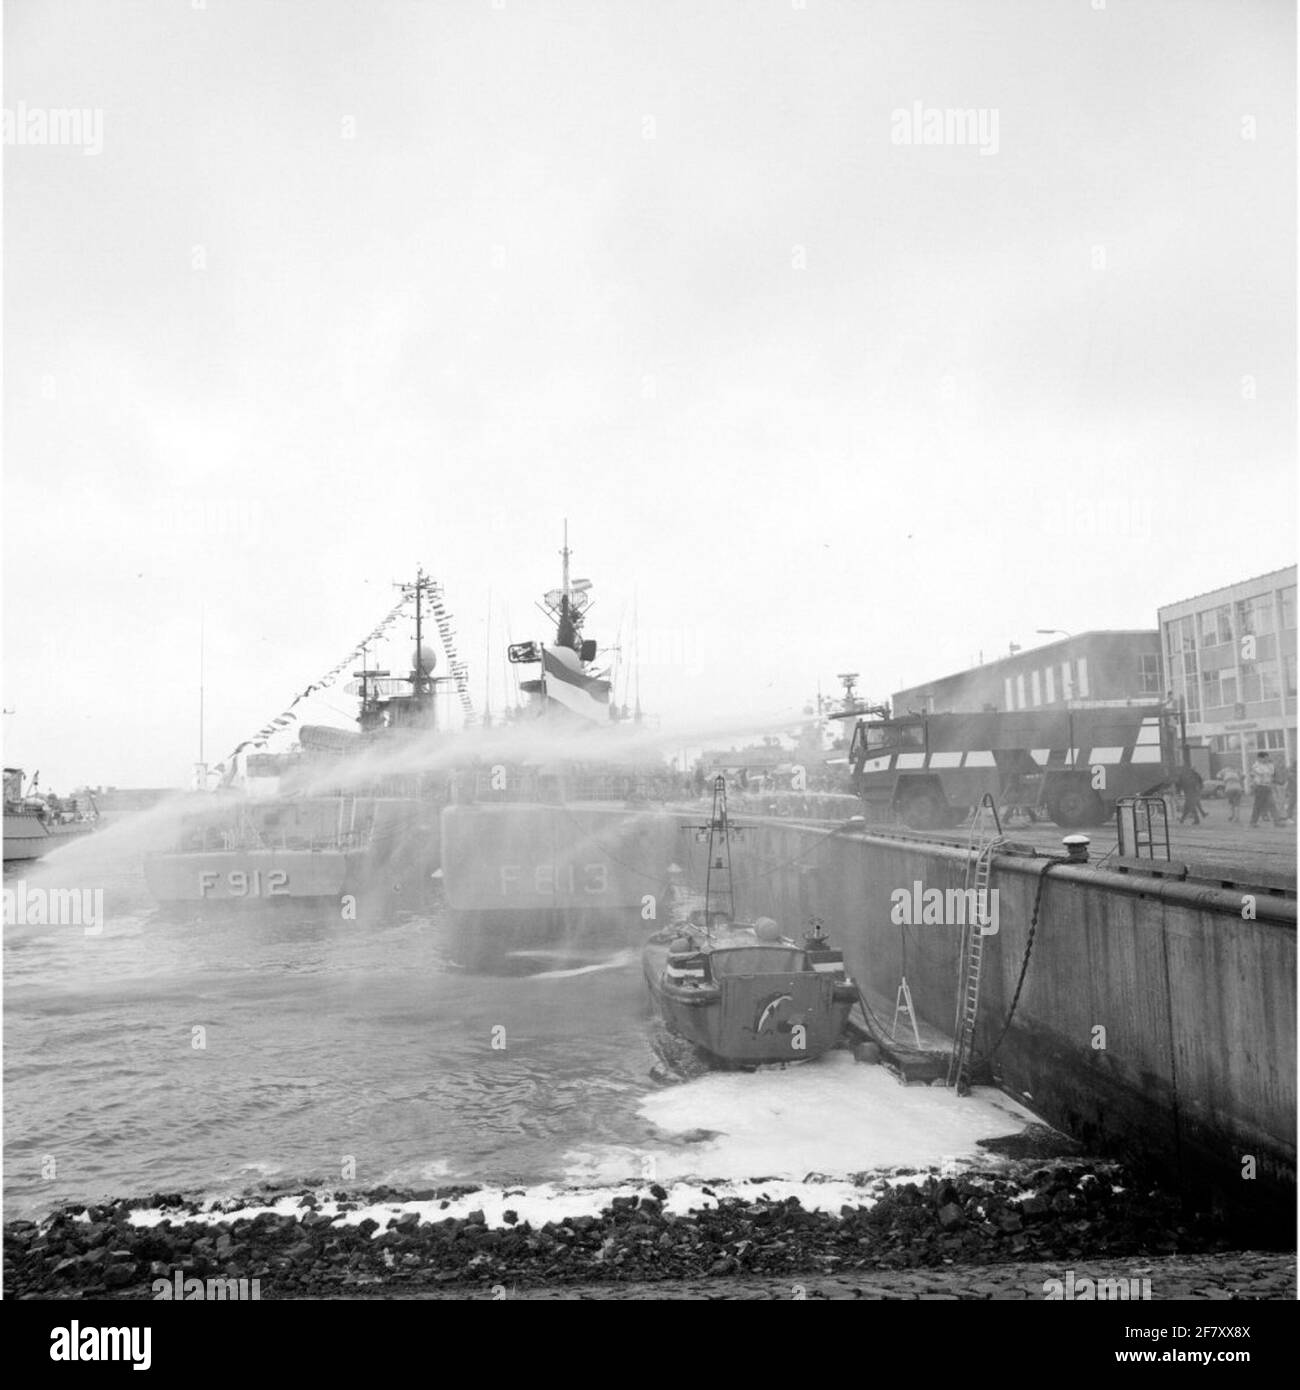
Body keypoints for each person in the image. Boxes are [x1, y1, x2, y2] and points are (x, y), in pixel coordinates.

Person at [1249, 751, 1276, 827]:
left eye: (1268, 758)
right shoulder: (1256, 766)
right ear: (1260, 758)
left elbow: (1272, 773)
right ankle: (1253, 822)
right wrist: (1268, 770)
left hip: (1268, 786)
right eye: (1265, 758)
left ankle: (1277, 821)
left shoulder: (1269, 765)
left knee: (1272, 803)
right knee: (1258, 805)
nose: (1267, 759)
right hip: (1260, 787)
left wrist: (1270, 765)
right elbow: (1262, 773)